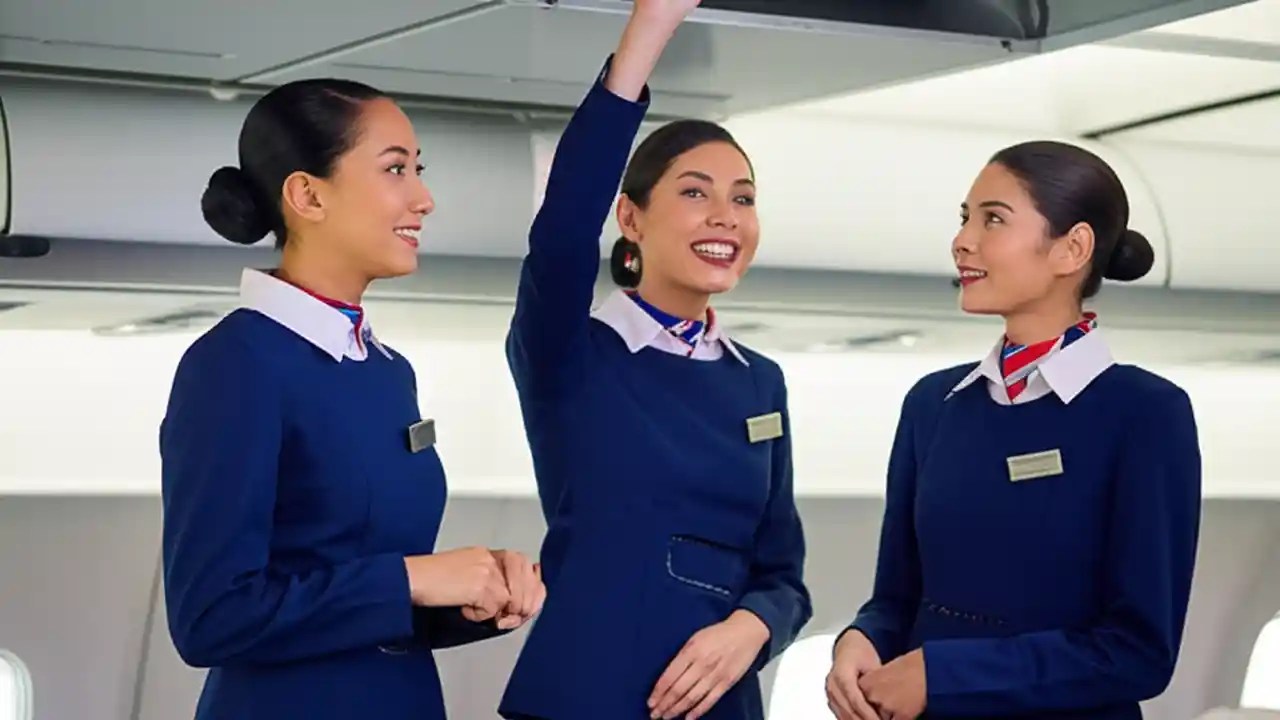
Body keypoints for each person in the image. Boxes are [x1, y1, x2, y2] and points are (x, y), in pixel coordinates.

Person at [159, 76, 545, 720]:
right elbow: (212, 617)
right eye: (395, 169)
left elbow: (368, 603)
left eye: (418, 171)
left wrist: (472, 596)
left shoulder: (386, 372)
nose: (423, 198)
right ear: (307, 194)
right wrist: (416, 578)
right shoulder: (235, 365)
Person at [498, 2, 811, 719]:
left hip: (719, 704)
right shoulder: (570, 352)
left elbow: (784, 575)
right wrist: (649, 34)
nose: (725, 217)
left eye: (744, 199)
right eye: (695, 193)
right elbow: (564, 228)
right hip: (586, 696)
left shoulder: (758, 381)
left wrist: (753, 628)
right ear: (631, 219)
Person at [826, 141, 1202, 720]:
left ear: (1071, 248)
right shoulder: (933, 405)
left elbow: (1138, 653)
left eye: (993, 219)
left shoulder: (1144, 414)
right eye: (964, 218)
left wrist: (943, 675)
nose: (963, 241)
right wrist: (862, 639)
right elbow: (897, 597)